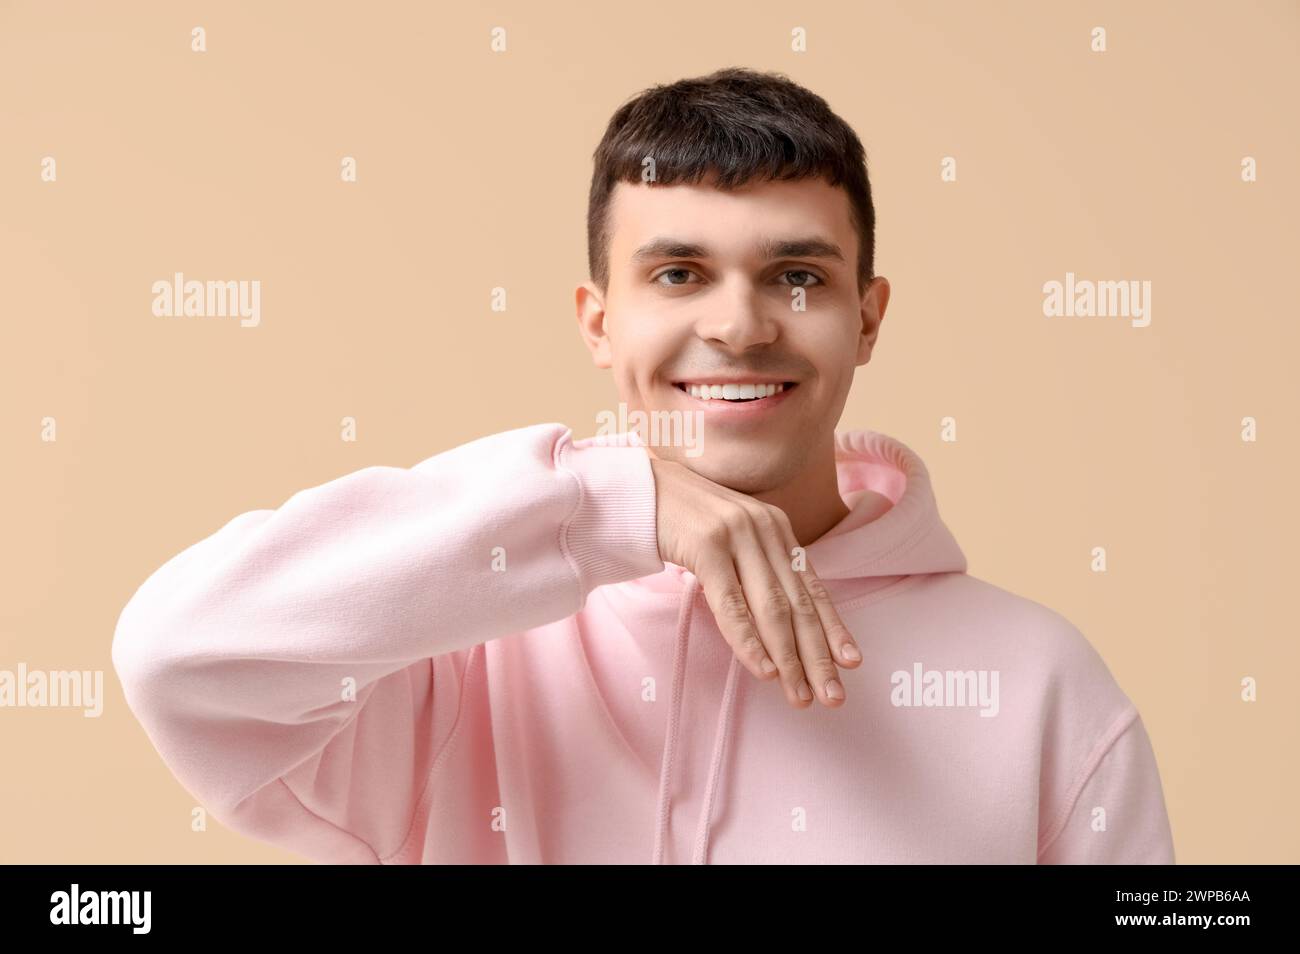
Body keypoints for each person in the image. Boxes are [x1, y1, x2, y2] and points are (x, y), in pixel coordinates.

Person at [112, 67, 1175, 864]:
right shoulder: (461, 654)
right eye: (677, 272)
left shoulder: (1042, 684)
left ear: (867, 317)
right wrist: (606, 502)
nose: (740, 325)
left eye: (796, 276)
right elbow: (177, 655)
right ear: (599, 321)